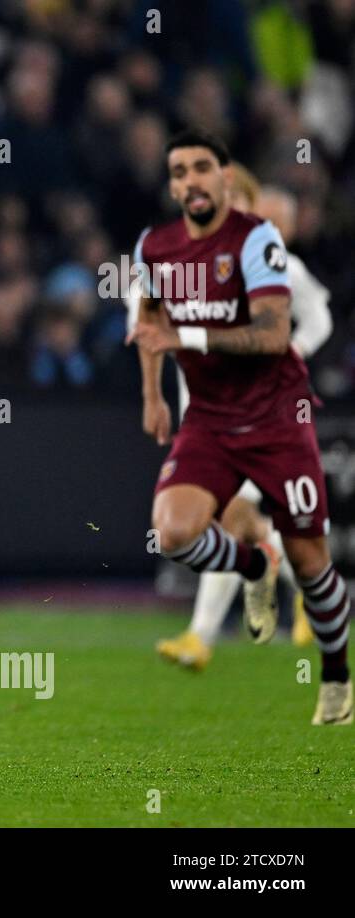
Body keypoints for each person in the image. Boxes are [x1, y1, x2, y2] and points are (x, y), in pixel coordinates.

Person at [129, 129, 350, 724]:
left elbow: (275, 332)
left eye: (203, 168)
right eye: (179, 172)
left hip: (277, 419)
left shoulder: (259, 242)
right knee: (174, 534)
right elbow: (147, 316)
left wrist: (188, 336)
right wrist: (153, 394)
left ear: (225, 179)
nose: (190, 181)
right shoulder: (156, 247)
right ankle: (253, 566)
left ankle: (335, 673)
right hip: (208, 420)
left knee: (312, 561)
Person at [153, 167, 332, 670]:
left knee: (228, 520)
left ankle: (202, 634)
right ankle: (295, 585)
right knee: (234, 522)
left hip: (258, 417)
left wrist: (291, 350)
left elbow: (319, 315)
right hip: (207, 420)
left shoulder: (275, 266)